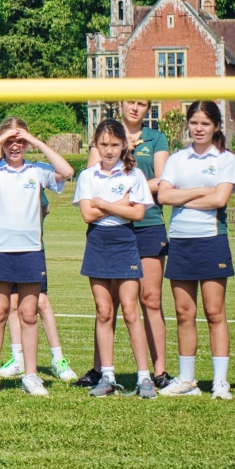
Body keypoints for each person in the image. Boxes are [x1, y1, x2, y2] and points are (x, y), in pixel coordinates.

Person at [0, 118, 75, 397]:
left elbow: (66, 170)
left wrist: (35, 141)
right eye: (10, 141)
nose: (15, 146)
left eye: (20, 141)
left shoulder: (38, 171)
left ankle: (31, 376)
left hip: (31, 252)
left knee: (28, 315)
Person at [154, 100, 235, 400]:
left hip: (211, 240)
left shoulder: (226, 159)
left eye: (205, 123)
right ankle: (187, 380)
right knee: (183, 312)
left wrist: (183, 198)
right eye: (194, 123)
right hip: (180, 240)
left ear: (216, 126)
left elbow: (220, 200)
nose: (199, 128)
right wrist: (201, 191)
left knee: (214, 312)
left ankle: (220, 382)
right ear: (187, 125)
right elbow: (164, 195)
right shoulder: (177, 159)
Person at [73, 117, 158, 398]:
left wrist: (103, 204)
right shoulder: (87, 176)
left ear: (124, 146)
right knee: (104, 311)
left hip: (125, 240)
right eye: (103, 145)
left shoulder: (134, 176)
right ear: (95, 146)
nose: (109, 150)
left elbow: (138, 213)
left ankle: (144, 378)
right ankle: (107, 376)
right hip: (97, 241)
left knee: (131, 310)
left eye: (114, 145)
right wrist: (119, 204)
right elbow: (87, 214)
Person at [118, 99, 173, 392]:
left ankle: (160, 371)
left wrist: (123, 191)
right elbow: (91, 175)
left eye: (142, 103)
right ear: (120, 103)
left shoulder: (156, 137)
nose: (135, 108)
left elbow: (162, 180)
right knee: (110, 304)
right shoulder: (109, 133)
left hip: (149, 222)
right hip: (114, 225)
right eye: (131, 102)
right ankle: (102, 370)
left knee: (150, 299)